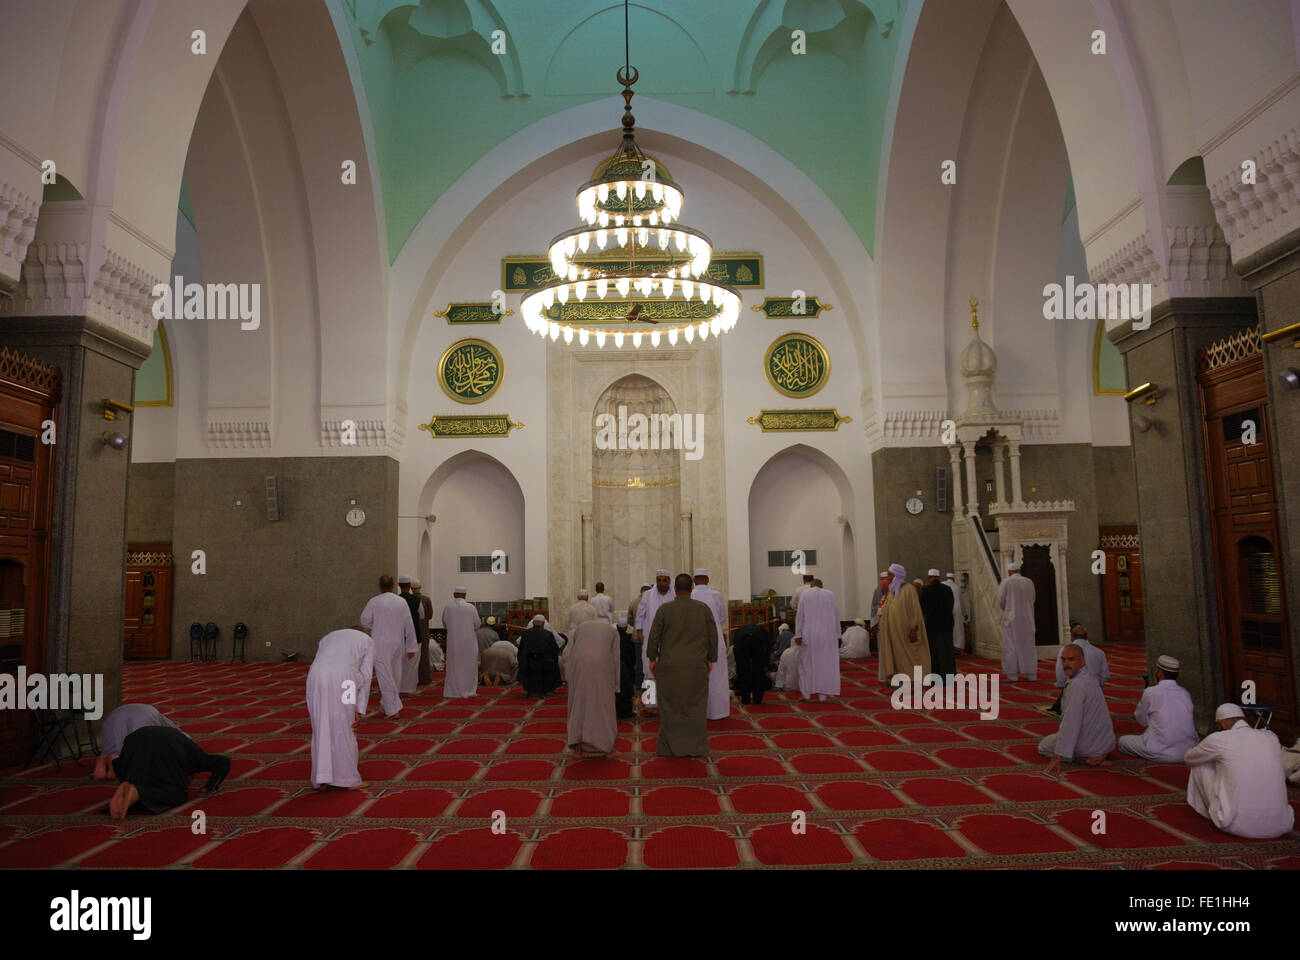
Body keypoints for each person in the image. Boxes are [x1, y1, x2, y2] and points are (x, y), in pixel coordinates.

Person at [1183, 704, 1295, 838]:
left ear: (1222, 723)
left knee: (1200, 763)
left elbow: (1189, 758)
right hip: (1281, 825)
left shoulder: (1218, 738)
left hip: (1237, 825)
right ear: (1245, 720)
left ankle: (1213, 813)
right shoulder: (1270, 736)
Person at [647, 573, 717, 756]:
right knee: (696, 706)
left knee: (670, 706)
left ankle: (669, 748)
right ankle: (695, 748)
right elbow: (713, 636)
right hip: (696, 665)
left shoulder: (665, 609)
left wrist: (652, 659)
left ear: (675, 589)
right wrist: (711, 659)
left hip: (669, 665)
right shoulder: (703, 609)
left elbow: (654, 636)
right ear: (692, 588)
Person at [107, 726, 230, 819]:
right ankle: (136, 792)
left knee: (143, 777)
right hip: (164, 746)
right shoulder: (194, 758)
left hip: (133, 741)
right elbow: (224, 762)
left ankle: (127, 784)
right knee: (177, 794)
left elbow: (223, 762)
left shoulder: (185, 752)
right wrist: (209, 787)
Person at [306, 628, 374, 790]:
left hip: (315, 677)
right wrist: (358, 709)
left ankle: (321, 777)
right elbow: (366, 675)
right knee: (345, 726)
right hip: (345, 679)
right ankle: (348, 779)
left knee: (320, 726)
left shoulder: (327, 637)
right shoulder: (367, 640)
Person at [1039, 644, 1115, 773]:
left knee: (1043, 746)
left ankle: (1082, 758)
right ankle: (1097, 755)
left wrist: (1059, 754)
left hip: (1087, 746)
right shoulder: (1091, 678)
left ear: (1082, 662)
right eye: (1063, 660)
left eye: (1071, 660)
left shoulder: (1077, 685)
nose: (1066, 664)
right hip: (1105, 744)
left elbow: (1071, 721)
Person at [1117, 655, 1198, 762]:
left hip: (1160, 751)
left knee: (1123, 741)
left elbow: (1141, 720)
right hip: (1190, 750)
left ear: (1159, 672)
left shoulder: (1151, 692)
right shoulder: (1185, 693)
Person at [360, 575, 417, 717]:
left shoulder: (374, 601)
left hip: (380, 642)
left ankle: (393, 710)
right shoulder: (401, 602)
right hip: (398, 642)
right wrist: (411, 647)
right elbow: (409, 625)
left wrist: (376, 627)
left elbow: (364, 621)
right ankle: (388, 704)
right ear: (393, 586)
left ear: (379, 586)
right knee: (395, 674)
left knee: (385, 675)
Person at [566, 616, 621, 756]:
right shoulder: (613, 632)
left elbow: (571, 652)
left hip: (578, 666)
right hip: (602, 665)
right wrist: (616, 686)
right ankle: (609, 748)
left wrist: (569, 676)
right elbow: (615, 658)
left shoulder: (581, 628)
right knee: (604, 706)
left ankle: (577, 748)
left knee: (579, 704)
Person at [94, 704, 185, 780]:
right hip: (143, 715)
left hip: (114, 715)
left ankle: (104, 758)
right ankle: (114, 762)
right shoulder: (170, 729)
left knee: (114, 741)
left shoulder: (159, 717)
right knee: (140, 744)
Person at [877, 564, 931, 683]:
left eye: (890, 574)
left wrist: (913, 629)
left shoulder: (909, 589)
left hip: (907, 632)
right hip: (895, 633)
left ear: (897, 575)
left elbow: (915, 611)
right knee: (898, 657)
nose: (888, 577)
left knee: (912, 656)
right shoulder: (892, 590)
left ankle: (915, 679)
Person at [691, 568, 731, 720]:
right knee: (717, 677)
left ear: (694, 581)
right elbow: (722, 618)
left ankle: (697, 712)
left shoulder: (690, 595)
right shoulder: (716, 595)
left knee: (695, 677)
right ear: (707, 580)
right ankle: (717, 712)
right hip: (715, 640)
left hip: (694, 641)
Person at [794, 581, 841, 701]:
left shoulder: (805, 594)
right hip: (828, 635)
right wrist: (838, 635)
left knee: (806, 665)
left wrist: (798, 634)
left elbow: (800, 615)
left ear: (811, 586)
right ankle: (823, 696)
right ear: (822, 586)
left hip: (810, 635)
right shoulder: (830, 594)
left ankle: (806, 694)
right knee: (825, 665)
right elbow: (836, 615)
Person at [1049, 624, 1109, 714]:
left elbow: (1060, 672)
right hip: (1094, 691)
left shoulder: (1064, 650)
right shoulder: (1099, 652)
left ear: (1072, 637)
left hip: (1072, 690)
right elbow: (1105, 675)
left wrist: (1062, 686)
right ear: (1086, 637)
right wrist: (1097, 685)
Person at [996, 561, 1037, 681]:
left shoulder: (1006, 582)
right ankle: (1031, 674)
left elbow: (1001, 600)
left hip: (1012, 620)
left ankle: (1013, 675)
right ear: (1019, 571)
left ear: (1009, 572)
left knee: (1011, 646)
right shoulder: (1029, 582)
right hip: (1028, 619)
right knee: (1028, 645)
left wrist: (1008, 610)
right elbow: (1033, 599)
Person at [635, 571, 674, 690]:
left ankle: (668, 700)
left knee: (670, 670)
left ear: (669, 581)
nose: (661, 583)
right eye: (659, 580)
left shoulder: (674, 595)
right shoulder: (647, 595)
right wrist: (639, 632)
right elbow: (640, 615)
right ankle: (651, 702)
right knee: (649, 670)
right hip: (650, 638)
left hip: (670, 639)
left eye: (664, 580)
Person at [441, 586, 481, 699]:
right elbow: (477, 624)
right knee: (469, 667)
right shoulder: (471, 608)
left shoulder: (448, 607)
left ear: (454, 594)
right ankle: (469, 690)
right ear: (465, 595)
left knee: (454, 667)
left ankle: (452, 691)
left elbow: (445, 623)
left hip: (453, 644)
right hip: (469, 644)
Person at [919, 569, 956, 677]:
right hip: (946, 625)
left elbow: (921, 607)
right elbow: (951, 605)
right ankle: (948, 677)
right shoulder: (947, 589)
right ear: (939, 577)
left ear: (929, 577)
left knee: (933, 652)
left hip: (931, 625)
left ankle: (935, 676)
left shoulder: (925, 590)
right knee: (947, 651)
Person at [517, 614, 562, 698]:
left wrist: (522, 661)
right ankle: (548, 689)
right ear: (543, 624)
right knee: (554, 663)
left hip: (528, 663)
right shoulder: (548, 634)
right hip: (545, 663)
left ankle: (530, 689)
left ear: (533, 623)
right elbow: (555, 650)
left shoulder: (525, 634)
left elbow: (521, 650)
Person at [733, 621, 773, 705]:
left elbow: (736, 651)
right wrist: (765, 664)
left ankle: (745, 699)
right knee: (758, 671)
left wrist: (739, 668)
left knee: (744, 672)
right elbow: (768, 649)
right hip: (757, 642)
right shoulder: (762, 632)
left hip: (742, 642)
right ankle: (757, 699)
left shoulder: (740, 631)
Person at [398, 575, 422, 694]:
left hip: (400, 636)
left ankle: (399, 687)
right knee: (412, 664)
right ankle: (409, 689)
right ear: (409, 586)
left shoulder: (396, 600)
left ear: (399, 586)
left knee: (400, 663)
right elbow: (421, 615)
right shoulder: (417, 600)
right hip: (415, 635)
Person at [412, 579, 439, 677]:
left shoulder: (408, 600)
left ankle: (413, 678)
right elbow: (430, 615)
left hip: (412, 632)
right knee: (424, 655)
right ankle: (424, 677)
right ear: (420, 587)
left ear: (411, 588)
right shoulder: (426, 599)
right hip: (424, 631)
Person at [615, 617, 638, 719]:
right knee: (627, 690)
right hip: (627, 669)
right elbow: (633, 655)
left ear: (617, 626)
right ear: (626, 627)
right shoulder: (629, 639)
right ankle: (625, 711)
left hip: (615, 667)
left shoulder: (613, 637)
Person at [944, 572, 964, 654]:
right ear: (953, 579)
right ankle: (959, 647)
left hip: (947, 608)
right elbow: (961, 601)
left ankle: (948, 647)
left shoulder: (943, 584)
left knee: (947, 627)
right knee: (957, 628)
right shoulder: (957, 587)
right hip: (957, 608)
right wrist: (965, 613)